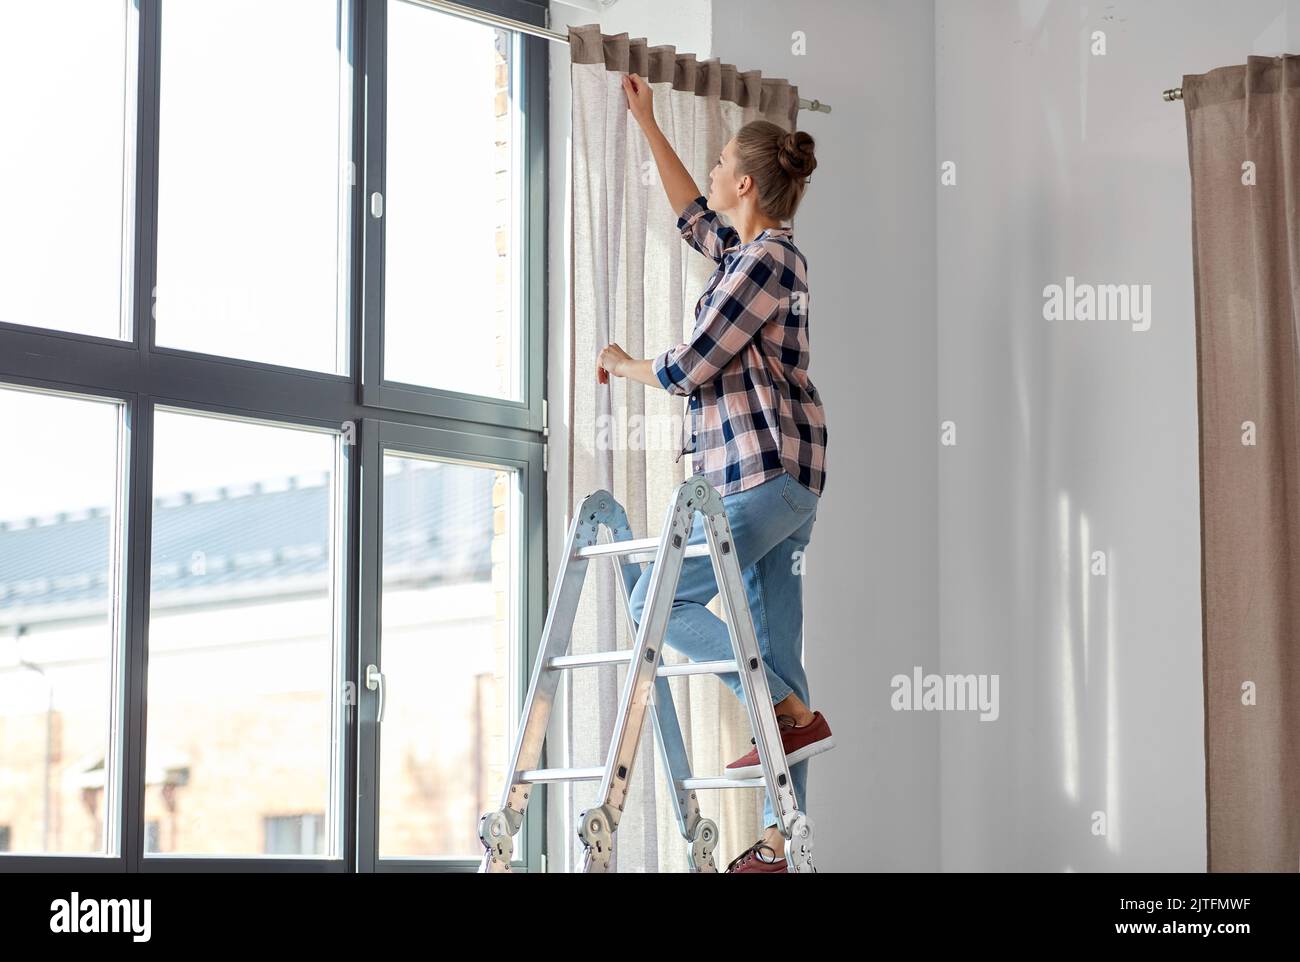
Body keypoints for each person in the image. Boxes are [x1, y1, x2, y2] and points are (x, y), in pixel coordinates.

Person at [595, 72, 832, 873]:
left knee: (649, 597)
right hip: (781, 482)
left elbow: (692, 366)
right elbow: (691, 214)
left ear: (746, 182)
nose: (713, 167)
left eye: (722, 156)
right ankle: (778, 841)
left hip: (762, 475)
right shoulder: (745, 252)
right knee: (779, 652)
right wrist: (647, 119)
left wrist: (624, 364)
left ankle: (780, 708)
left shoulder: (769, 262)